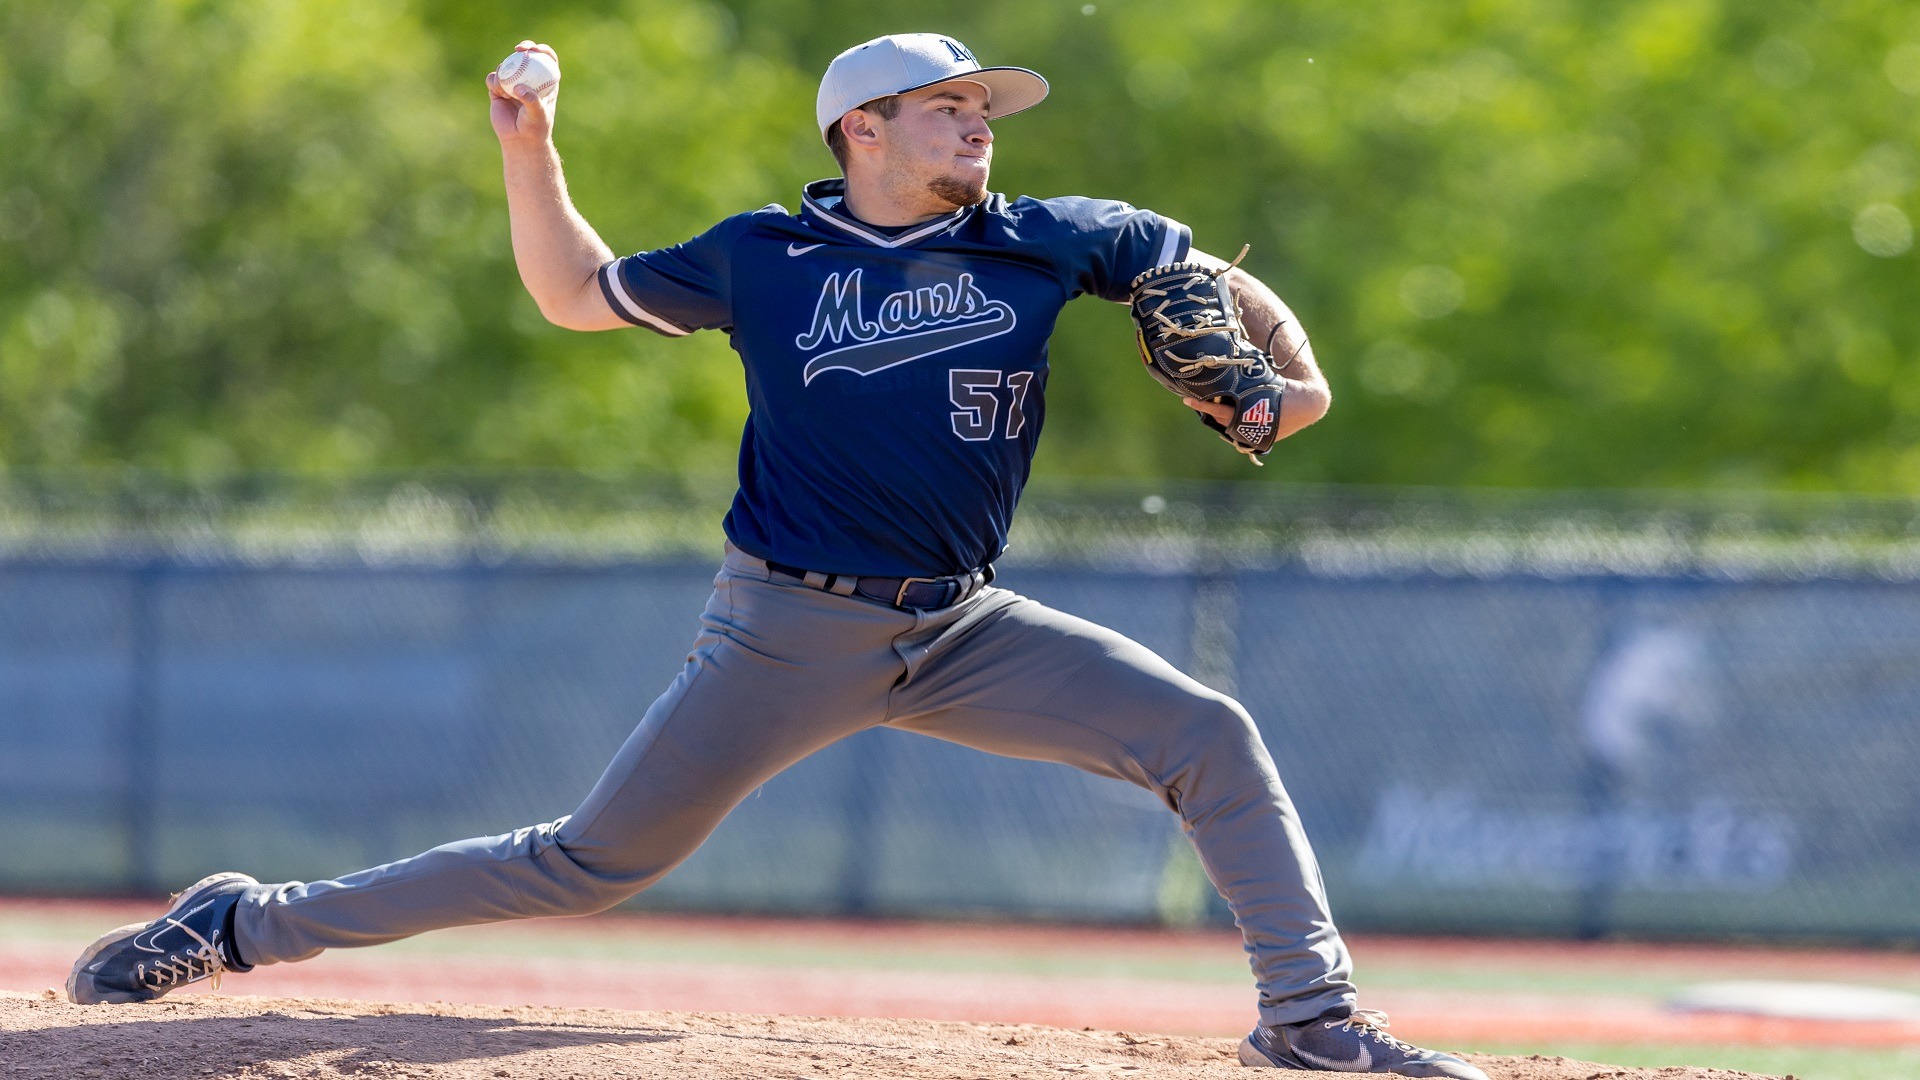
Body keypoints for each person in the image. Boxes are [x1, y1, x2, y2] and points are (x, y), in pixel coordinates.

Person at [66, 33, 1485, 1079]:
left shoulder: (1046, 243)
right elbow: (571, 292)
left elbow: (1192, 270)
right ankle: (244, 926)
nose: (980, 125)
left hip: (964, 627)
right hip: (785, 632)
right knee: (585, 865)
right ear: (861, 129)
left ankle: (1309, 1025)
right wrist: (528, 151)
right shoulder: (765, 254)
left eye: (985, 109)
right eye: (949, 108)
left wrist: (1283, 374)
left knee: (1208, 736)